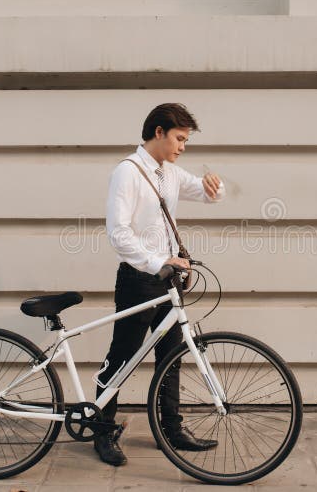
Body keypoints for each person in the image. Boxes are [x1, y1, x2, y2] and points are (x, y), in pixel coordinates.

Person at [95, 103, 225, 466]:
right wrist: (156, 261)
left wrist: (216, 186)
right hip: (139, 279)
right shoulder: (128, 172)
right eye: (179, 138)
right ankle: (102, 430)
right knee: (123, 356)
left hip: (169, 281)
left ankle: (171, 429)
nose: (183, 146)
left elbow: (205, 194)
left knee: (172, 357)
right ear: (158, 132)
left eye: (186, 140)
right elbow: (118, 233)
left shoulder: (169, 173)